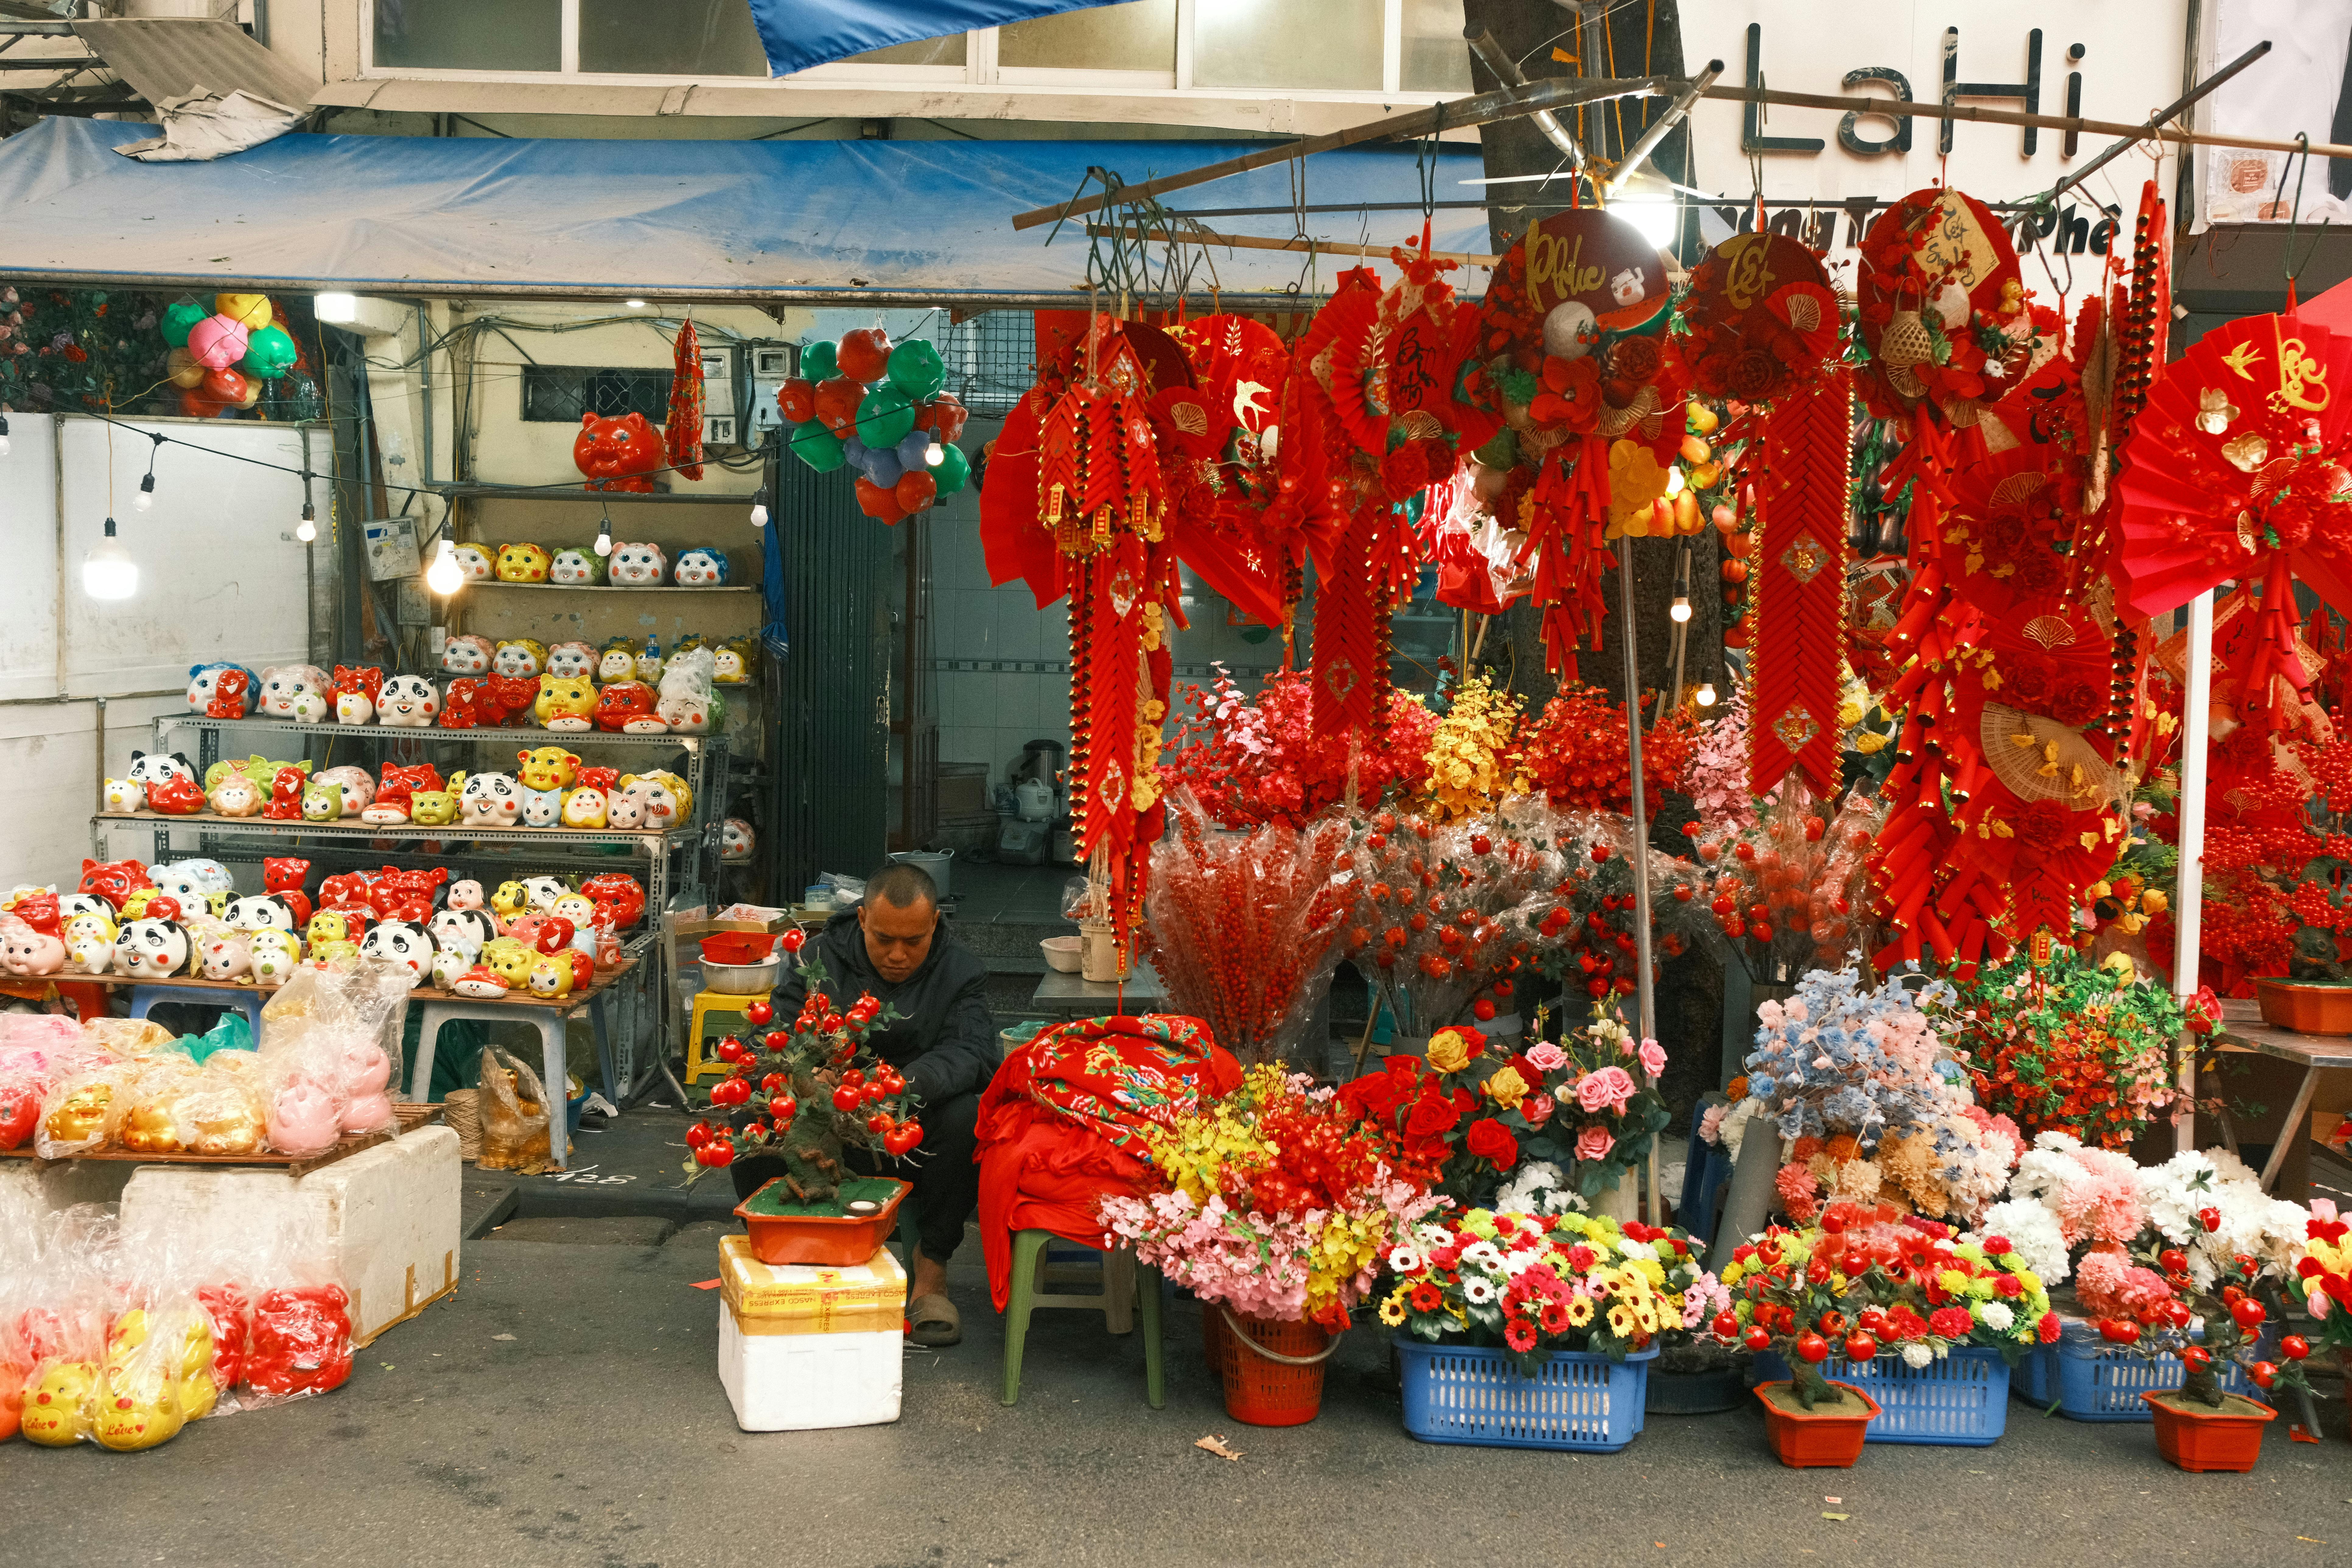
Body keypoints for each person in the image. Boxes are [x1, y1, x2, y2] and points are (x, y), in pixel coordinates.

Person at [728, 860, 994, 1347]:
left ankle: (930, 1274)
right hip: (825, 1126)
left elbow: (973, 1054)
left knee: (968, 1117)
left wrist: (898, 1085)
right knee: (752, 1114)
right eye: (884, 939)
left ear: (934, 923)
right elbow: (774, 1034)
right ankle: (780, 1260)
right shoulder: (818, 959)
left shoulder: (962, 971)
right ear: (863, 919)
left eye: (914, 942)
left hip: (911, 1126)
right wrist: (804, 1073)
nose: (898, 955)